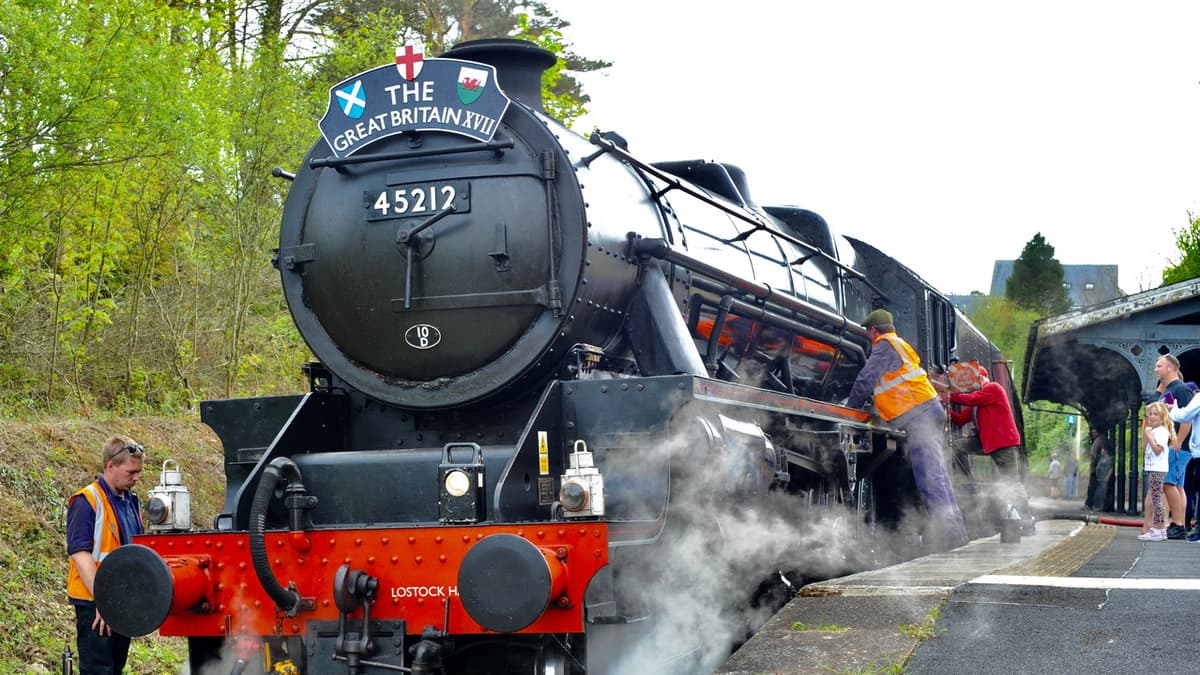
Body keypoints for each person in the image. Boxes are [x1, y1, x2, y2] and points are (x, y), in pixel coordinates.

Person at [847, 308, 968, 550]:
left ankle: (952, 538)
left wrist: (850, 410)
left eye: (868, 332)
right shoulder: (900, 343)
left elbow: (866, 379)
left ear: (874, 330)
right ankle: (957, 534)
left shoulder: (884, 345)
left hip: (920, 414)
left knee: (930, 478)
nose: (869, 336)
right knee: (938, 476)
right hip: (927, 410)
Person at [66, 436, 145, 674]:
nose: (136, 478)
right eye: (131, 472)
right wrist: (103, 600)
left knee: (115, 667)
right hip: (95, 603)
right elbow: (80, 554)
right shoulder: (86, 501)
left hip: (121, 600)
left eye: (139, 472)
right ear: (110, 465)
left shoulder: (130, 501)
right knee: (98, 669)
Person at [946, 364, 1033, 532]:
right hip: (987, 442)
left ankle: (1028, 522)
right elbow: (961, 419)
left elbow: (969, 399)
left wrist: (947, 395)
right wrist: (945, 409)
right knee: (956, 447)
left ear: (980, 379)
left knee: (1012, 484)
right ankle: (969, 482)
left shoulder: (993, 388)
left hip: (1003, 442)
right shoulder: (978, 400)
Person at [1154, 354, 1193, 538]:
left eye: (1159, 366)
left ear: (1170, 368)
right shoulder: (1169, 390)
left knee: (1169, 483)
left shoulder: (1181, 389)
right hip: (1171, 443)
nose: (1156, 369)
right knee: (1176, 485)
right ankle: (1178, 523)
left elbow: (1187, 418)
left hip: (1177, 446)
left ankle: (1179, 524)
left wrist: (1178, 442)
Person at [1138, 402, 1174, 541]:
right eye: (1150, 414)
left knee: (1156, 499)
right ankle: (1159, 529)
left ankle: (1158, 528)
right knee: (1155, 498)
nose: (1152, 417)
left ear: (1162, 416)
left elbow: (1158, 449)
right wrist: (1147, 433)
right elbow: (1144, 446)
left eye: (1155, 414)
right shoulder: (1155, 430)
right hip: (1153, 468)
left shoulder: (1161, 431)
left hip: (1157, 468)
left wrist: (1149, 435)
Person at [1084, 428, 1108, 511]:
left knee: (1093, 487)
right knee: (1094, 487)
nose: (1093, 434)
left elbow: (1095, 455)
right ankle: (1091, 504)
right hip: (1096, 468)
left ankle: (1091, 504)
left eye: (1094, 432)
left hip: (1097, 469)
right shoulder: (1099, 441)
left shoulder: (1099, 441)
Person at [1092, 441, 1115, 513]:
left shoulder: (1109, 459)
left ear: (1105, 451)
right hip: (1099, 478)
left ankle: (1102, 507)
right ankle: (1098, 506)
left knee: (1103, 493)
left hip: (1104, 478)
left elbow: (1111, 469)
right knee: (1098, 493)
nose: (1101, 451)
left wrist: (1107, 477)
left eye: (1102, 450)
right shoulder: (1101, 458)